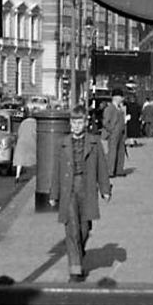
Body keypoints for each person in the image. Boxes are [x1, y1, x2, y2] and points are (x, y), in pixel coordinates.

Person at [49, 105, 112, 282]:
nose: (76, 126)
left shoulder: (94, 142)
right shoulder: (62, 143)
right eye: (73, 122)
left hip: (87, 187)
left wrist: (105, 189)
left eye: (79, 122)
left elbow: (102, 167)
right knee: (72, 229)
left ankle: (79, 250)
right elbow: (56, 170)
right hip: (68, 189)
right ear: (70, 123)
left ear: (85, 123)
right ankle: (75, 270)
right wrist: (54, 194)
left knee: (84, 229)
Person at [102, 89, 127, 177]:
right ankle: (110, 171)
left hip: (121, 133)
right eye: (121, 97)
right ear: (116, 97)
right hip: (113, 134)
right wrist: (112, 130)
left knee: (121, 151)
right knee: (112, 152)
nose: (122, 99)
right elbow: (105, 122)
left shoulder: (120, 108)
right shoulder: (109, 108)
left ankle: (119, 170)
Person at [12, 114, 37, 182]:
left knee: (19, 160)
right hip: (32, 141)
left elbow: (19, 132)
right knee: (33, 158)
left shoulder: (23, 122)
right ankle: (33, 175)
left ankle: (17, 175)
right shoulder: (35, 123)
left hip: (22, 141)